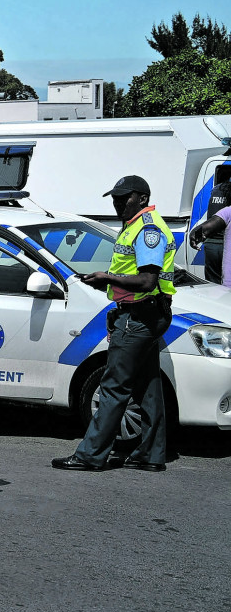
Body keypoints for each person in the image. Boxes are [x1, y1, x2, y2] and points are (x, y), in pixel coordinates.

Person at [53, 175, 176, 473]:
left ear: (142, 199)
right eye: (116, 198)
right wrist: (112, 294)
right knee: (148, 387)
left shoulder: (147, 230)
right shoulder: (135, 226)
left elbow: (147, 281)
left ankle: (90, 456)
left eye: (125, 198)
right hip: (140, 313)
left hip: (139, 316)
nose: (118, 203)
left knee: (113, 388)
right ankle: (150, 453)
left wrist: (107, 279)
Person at [188, 200, 231, 287]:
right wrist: (195, 235)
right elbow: (203, 230)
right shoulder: (228, 212)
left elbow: (203, 230)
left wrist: (195, 235)